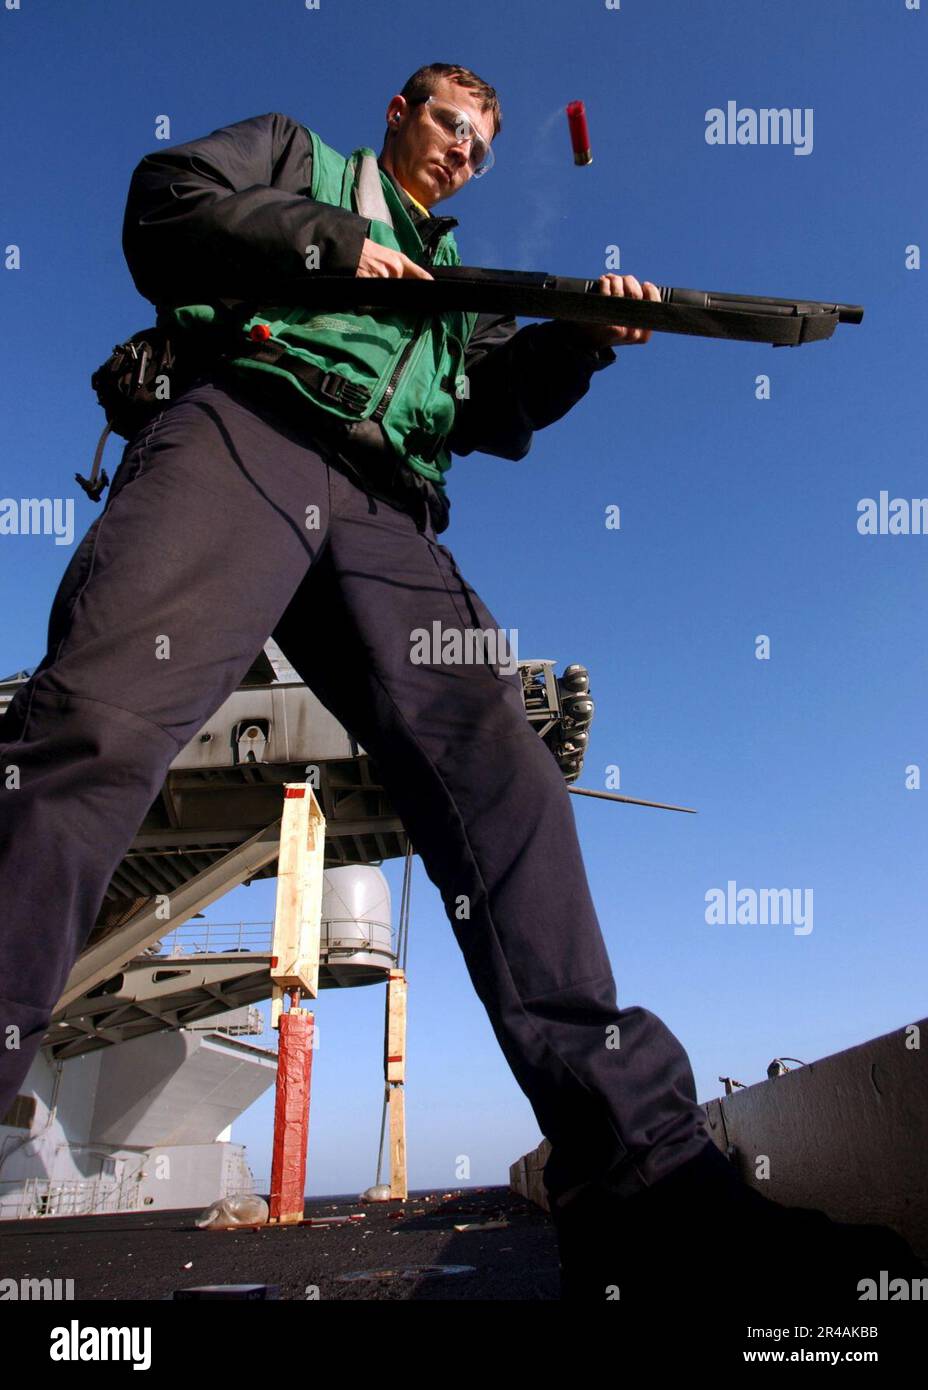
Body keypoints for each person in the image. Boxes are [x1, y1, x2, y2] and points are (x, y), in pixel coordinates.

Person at [0, 62, 920, 1304]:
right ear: (398, 114)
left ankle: (645, 1184)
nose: (465, 155)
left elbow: (495, 404)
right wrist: (329, 242)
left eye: (484, 146)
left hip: (386, 511)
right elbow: (163, 207)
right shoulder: (295, 158)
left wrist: (581, 344)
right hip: (246, 434)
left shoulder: (453, 288)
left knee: (506, 779)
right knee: (93, 734)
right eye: (450, 126)